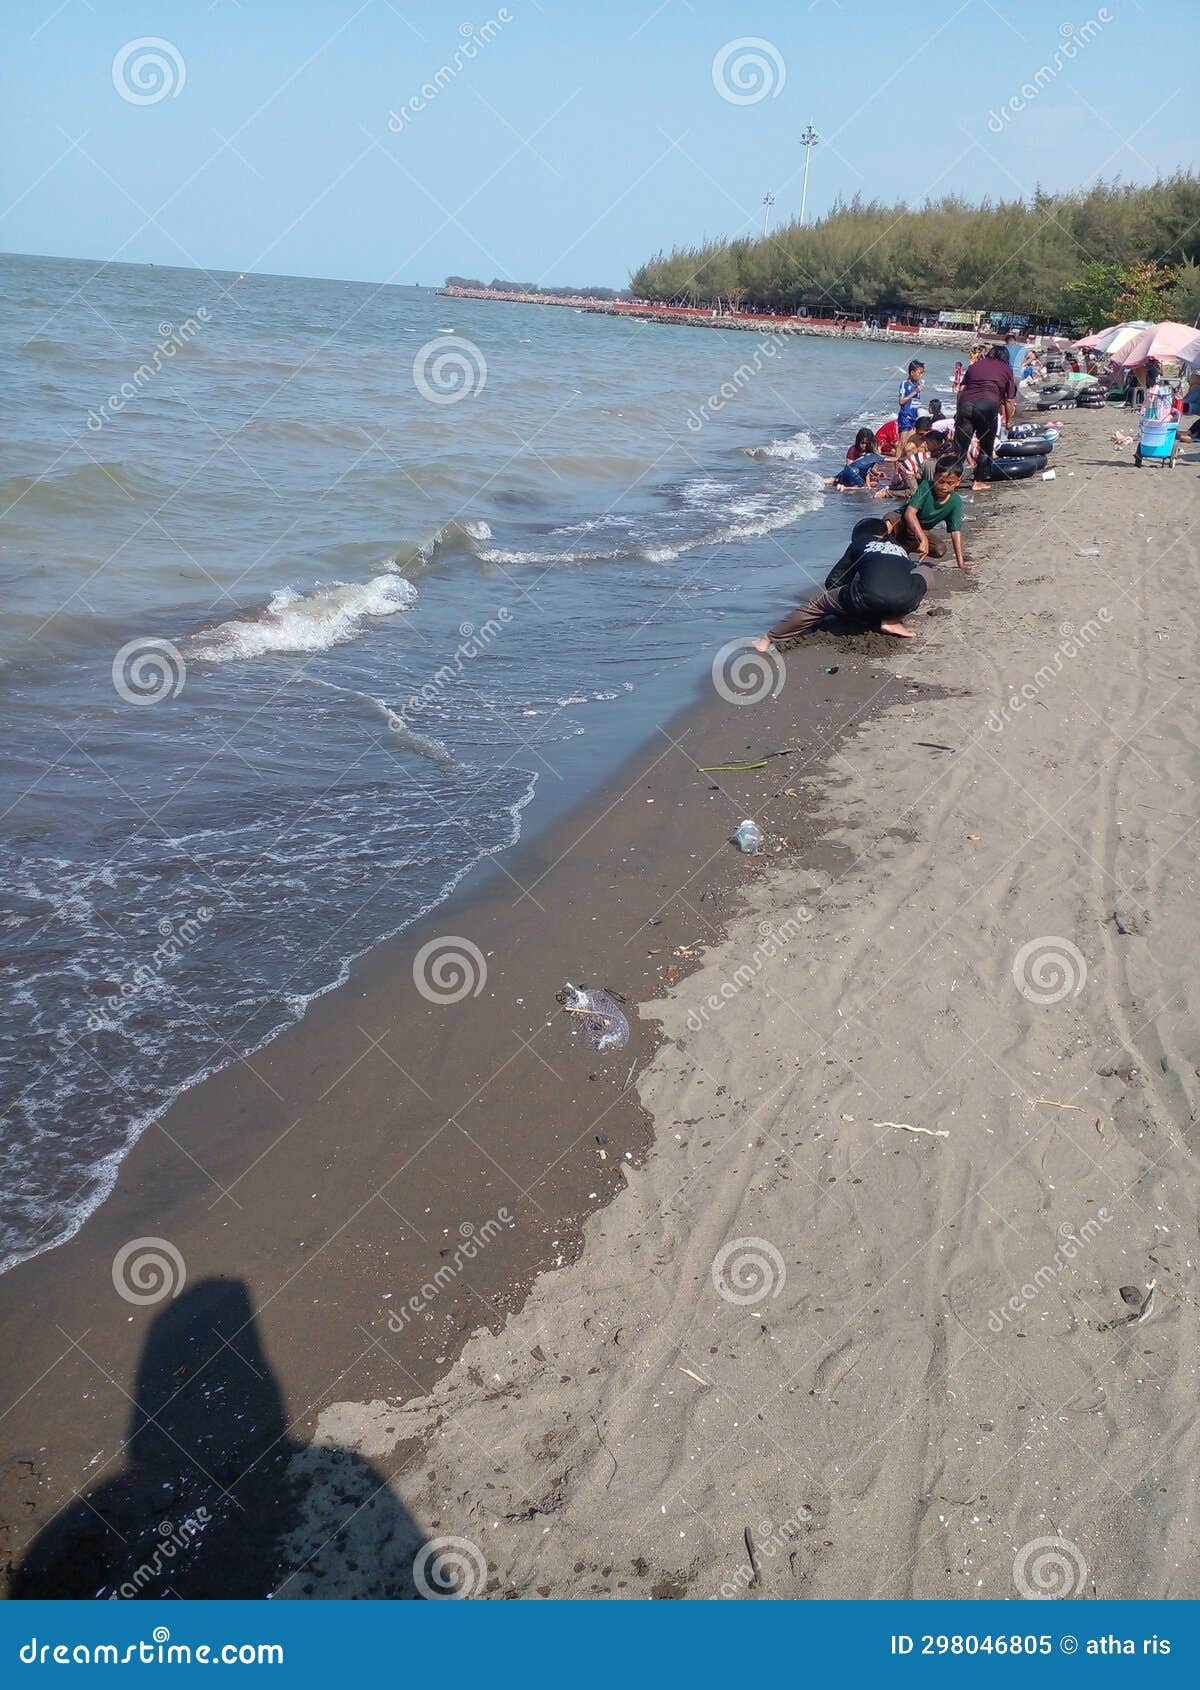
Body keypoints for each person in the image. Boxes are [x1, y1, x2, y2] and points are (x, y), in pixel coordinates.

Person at [753, 518, 932, 644]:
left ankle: (769, 638)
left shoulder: (859, 544)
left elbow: (833, 580)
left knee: (818, 603)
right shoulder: (899, 548)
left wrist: (841, 603)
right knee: (925, 571)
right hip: (906, 602)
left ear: (858, 537)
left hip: (867, 598)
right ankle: (891, 620)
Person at [954, 343, 1015, 480]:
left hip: (966, 405)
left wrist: (958, 412)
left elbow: (961, 390)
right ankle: (978, 481)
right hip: (988, 407)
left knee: (960, 447)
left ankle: (953, 479)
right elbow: (1009, 400)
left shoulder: (974, 366)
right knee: (986, 447)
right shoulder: (1006, 369)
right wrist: (1009, 421)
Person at [902, 460, 972, 571]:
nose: (944, 487)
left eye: (950, 483)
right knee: (889, 522)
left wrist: (961, 563)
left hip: (918, 531)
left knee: (939, 549)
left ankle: (904, 548)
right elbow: (909, 513)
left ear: (958, 482)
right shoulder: (926, 486)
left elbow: (955, 532)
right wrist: (923, 539)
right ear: (934, 477)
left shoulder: (956, 502)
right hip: (901, 521)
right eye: (941, 481)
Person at [898, 360, 924, 433]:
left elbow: (915, 402)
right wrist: (915, 391)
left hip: (914, 418)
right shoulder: (905, 384)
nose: (921, 375)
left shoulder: (918, 385)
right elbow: (901, 401)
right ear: (912, 373)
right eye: (919, 373)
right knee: (903, 441)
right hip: (905, 417)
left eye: (922, 373)